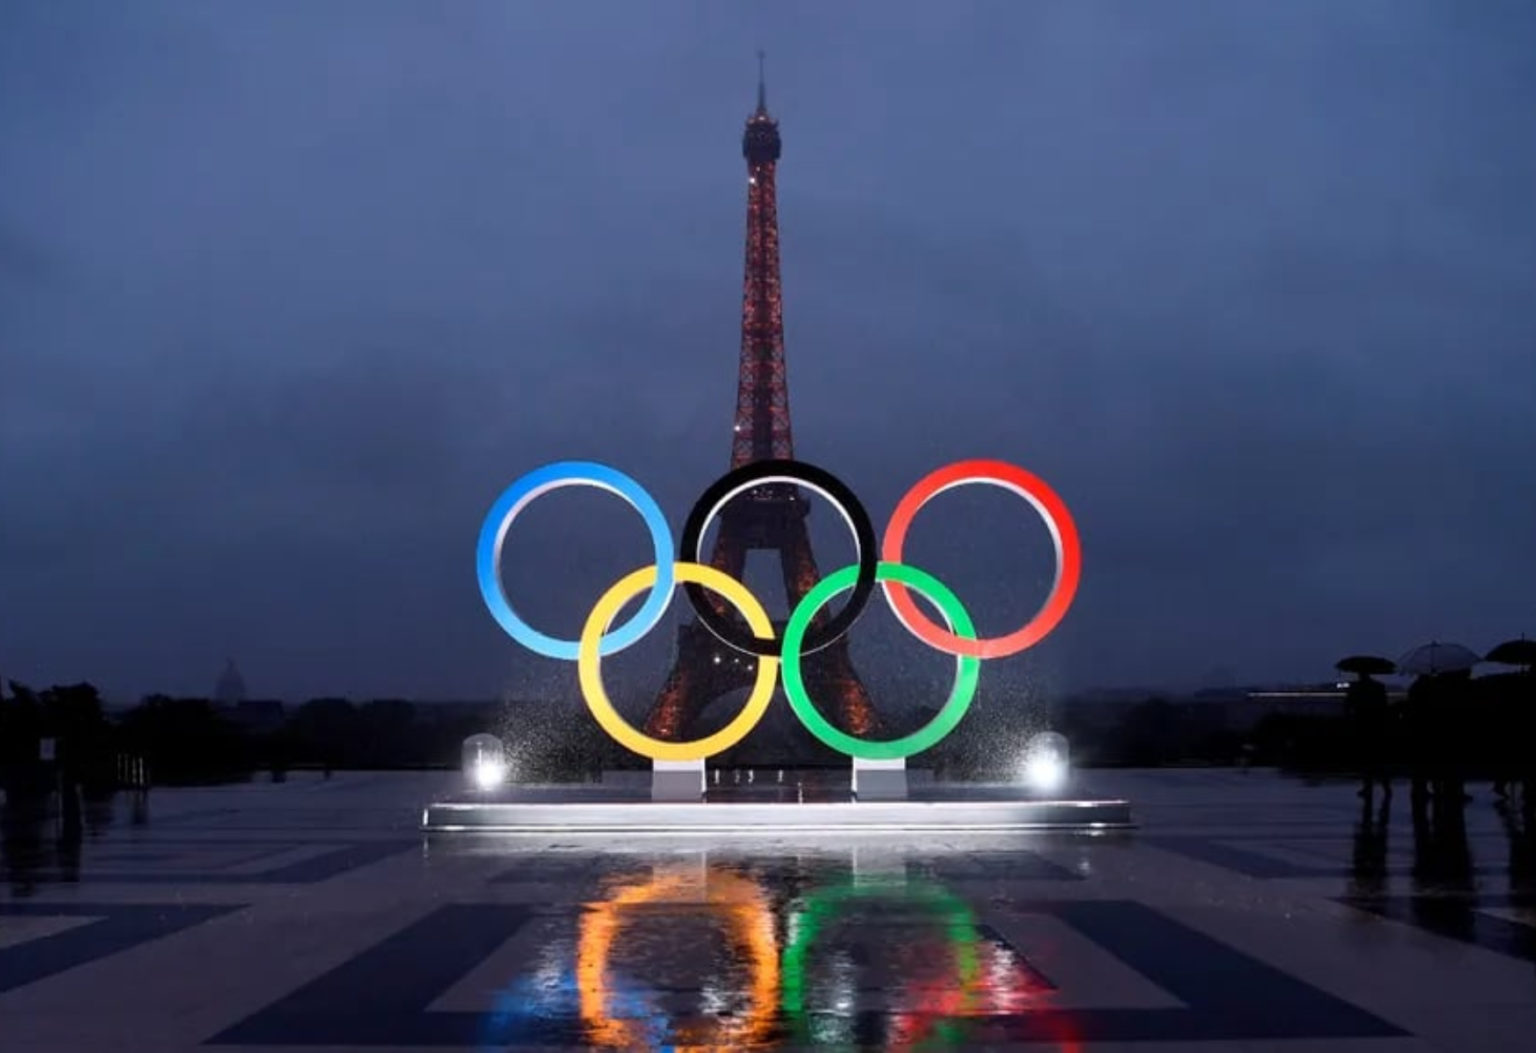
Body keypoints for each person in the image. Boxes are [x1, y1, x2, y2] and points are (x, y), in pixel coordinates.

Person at [1345, 673, 1392, 803]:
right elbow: (1384, 706)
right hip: (1377, 726)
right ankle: (1386, 787)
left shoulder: (1355, 688)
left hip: (1362, 725)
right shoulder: (1379, 687)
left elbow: (1348, 705)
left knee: (1365, 759)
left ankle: (1367, 787)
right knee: (1379, 758)